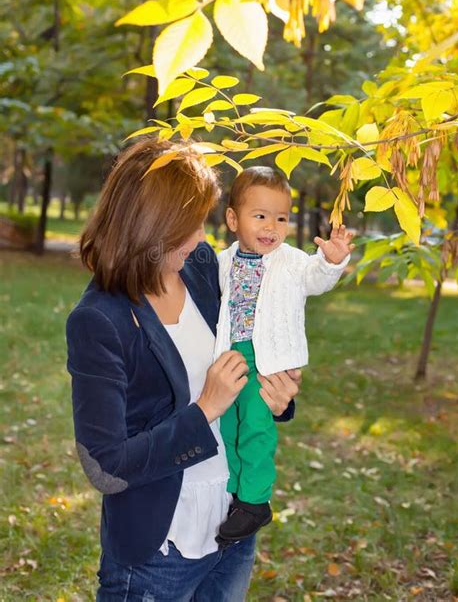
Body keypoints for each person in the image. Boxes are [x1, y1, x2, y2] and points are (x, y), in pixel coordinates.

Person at [65, 139, 301, 601]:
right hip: (160, 551)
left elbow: (244, 355)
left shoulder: (199, 266)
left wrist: (277, 396)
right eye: (188, 227)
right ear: (149, 226)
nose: (200, 238)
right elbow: (107, 467)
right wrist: (205, 408)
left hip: (231, 528)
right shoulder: (99, 321)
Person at [214, 167, 355, 545]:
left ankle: (255, 500)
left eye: (281, 218)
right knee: (227, 425)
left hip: (269, 361)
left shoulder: (291, 261)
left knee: (257, 428)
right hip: (228, 355)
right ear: (232, 219)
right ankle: (231, 489)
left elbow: (316, 278)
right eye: (259, 216)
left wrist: (332, 261)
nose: (271, 226)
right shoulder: (222, 261)